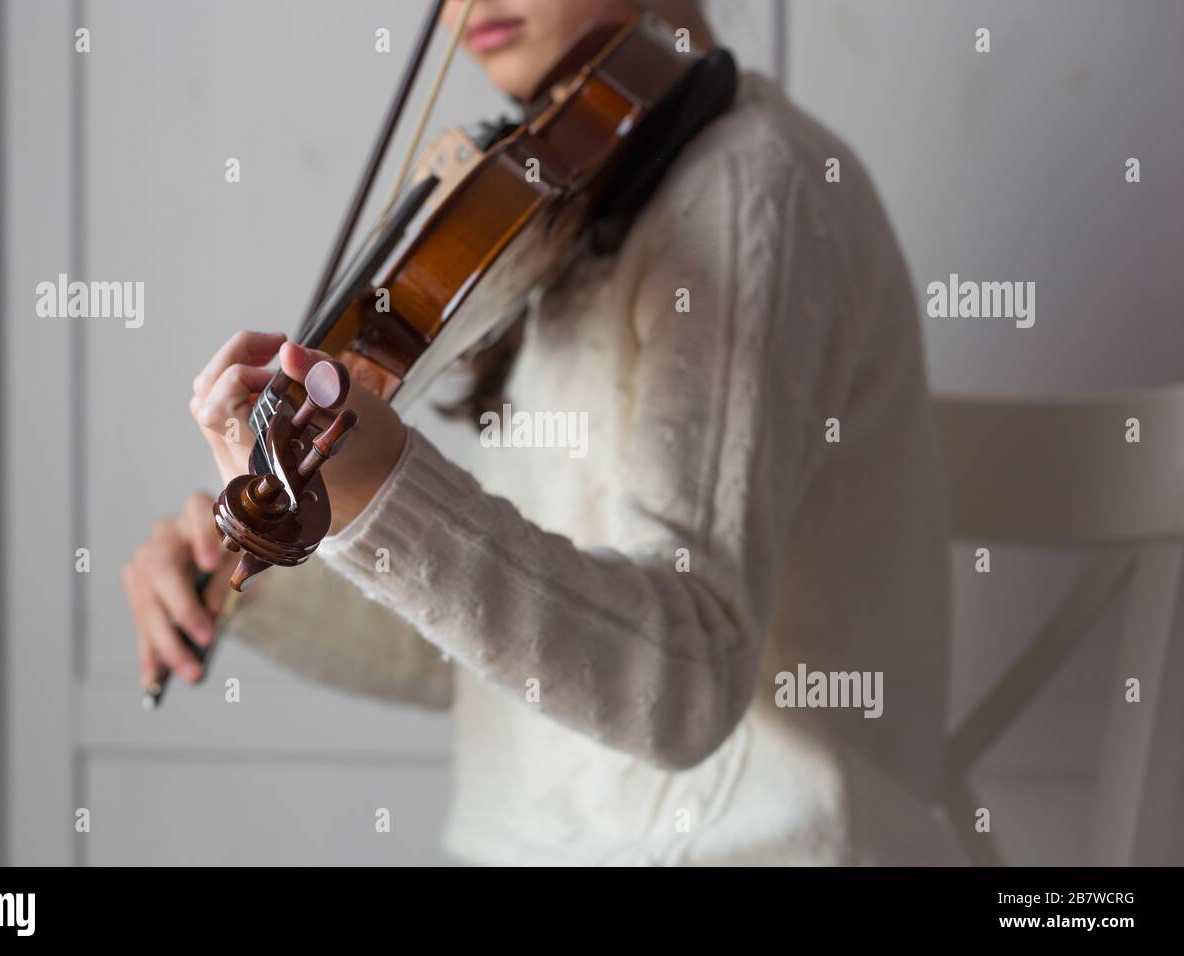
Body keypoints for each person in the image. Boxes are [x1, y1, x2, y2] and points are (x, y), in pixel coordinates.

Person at [122, 0, 966, 865]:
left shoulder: (755, 185)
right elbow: (505, 661)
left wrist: (388, 495)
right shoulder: (573, 192)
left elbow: (689, 684)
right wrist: (257, 569)